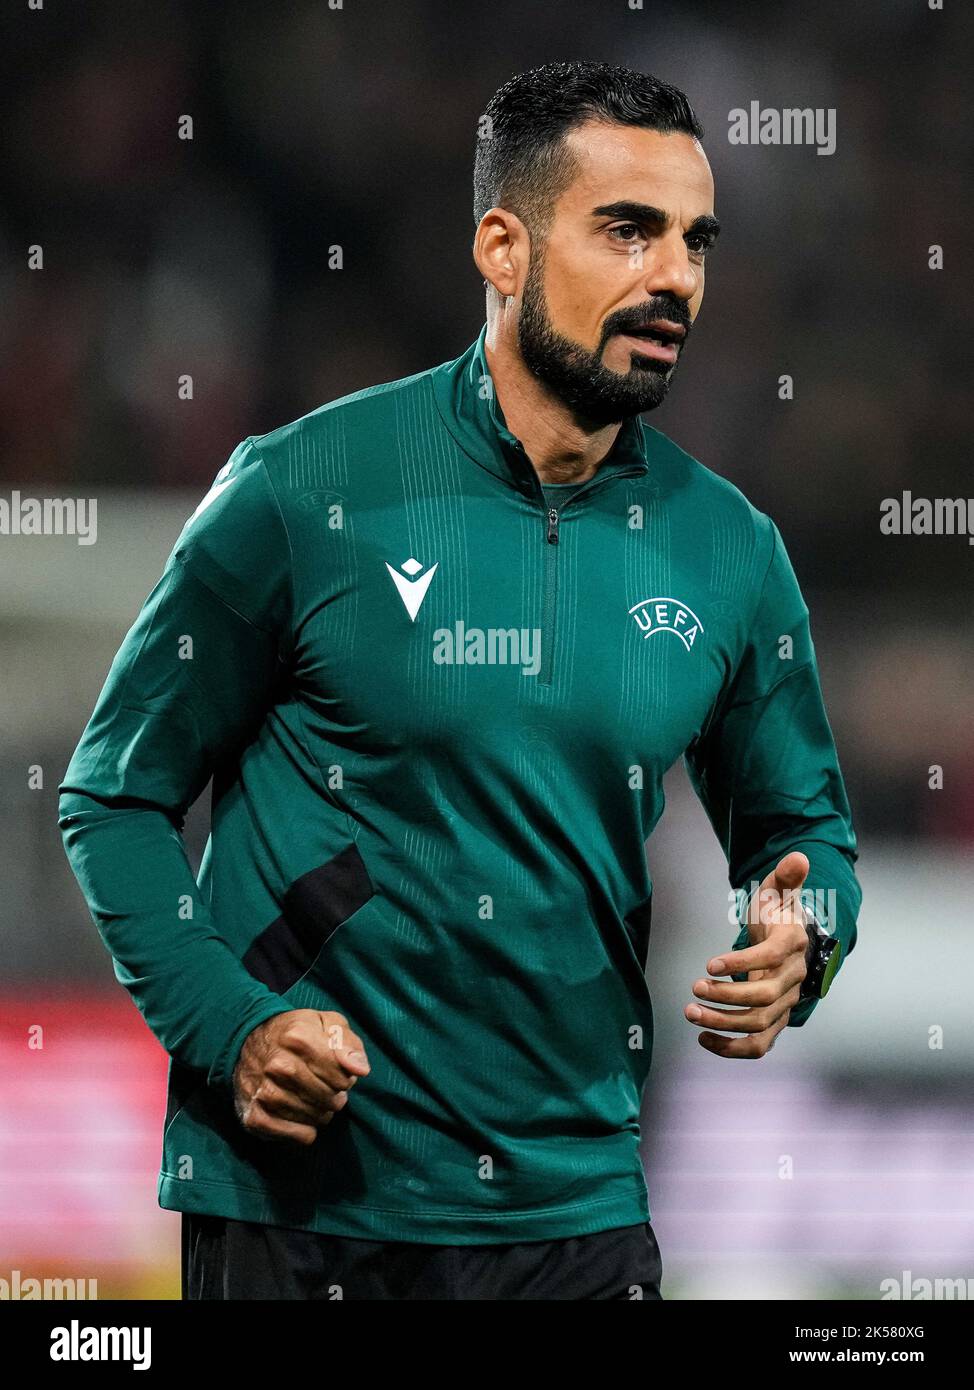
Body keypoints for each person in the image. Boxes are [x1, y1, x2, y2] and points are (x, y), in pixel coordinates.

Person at [58, 60, 861, 1301]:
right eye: (627, 230)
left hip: (577, 1217)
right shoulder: (299, 488)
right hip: (305, 1207)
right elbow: (112, 797)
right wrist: (229, 1026)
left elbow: (804, 836)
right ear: (502, 246)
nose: (675, 279)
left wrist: (797, 941)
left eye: (695, 240)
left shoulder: (728, 550)